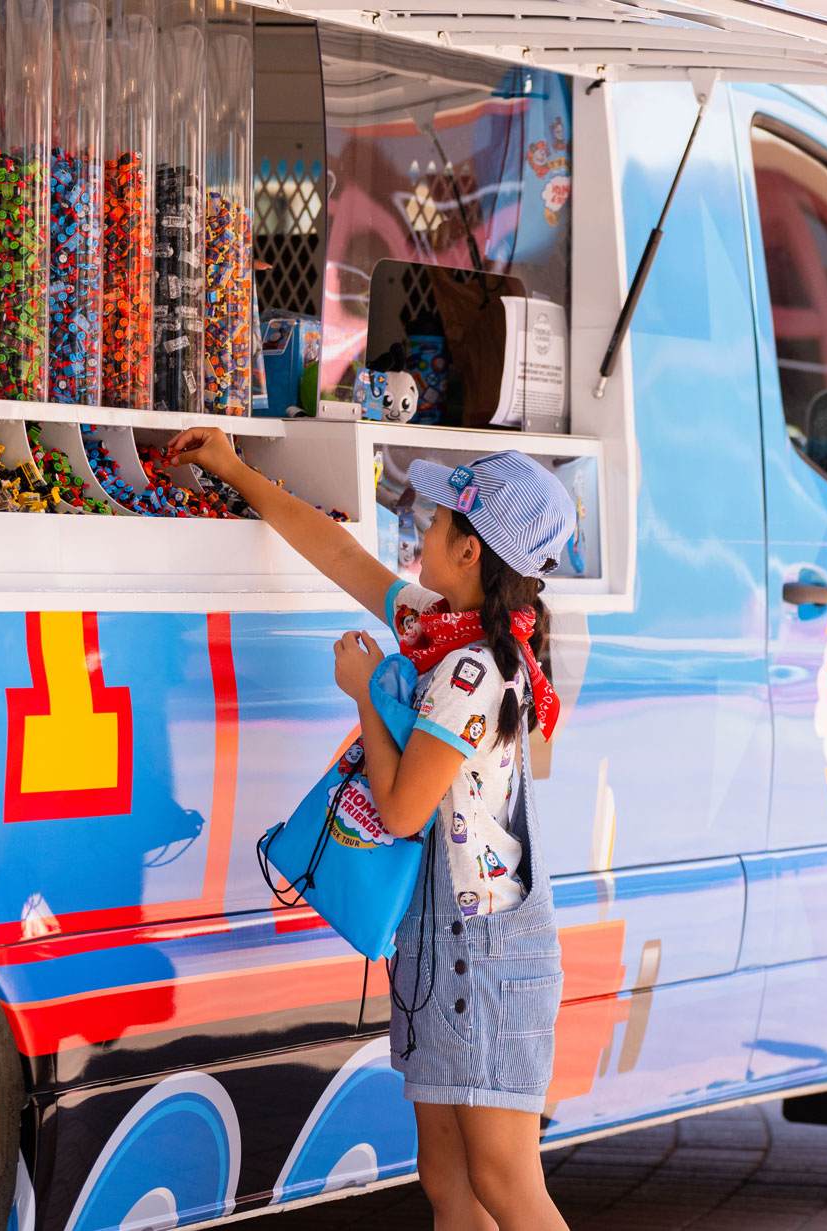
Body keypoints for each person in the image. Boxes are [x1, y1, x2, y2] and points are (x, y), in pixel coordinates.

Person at [166, 427, 575, 1231]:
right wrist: (236, 471)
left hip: (481, 954)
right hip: (451, 946)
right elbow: (346, 559)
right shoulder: (445, 632)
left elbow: (399, 810)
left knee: (502, 1179)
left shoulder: (470, 669)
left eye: (435, 520)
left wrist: (363, 692)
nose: (418, 529)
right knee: (450, 1179)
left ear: (471, 552)